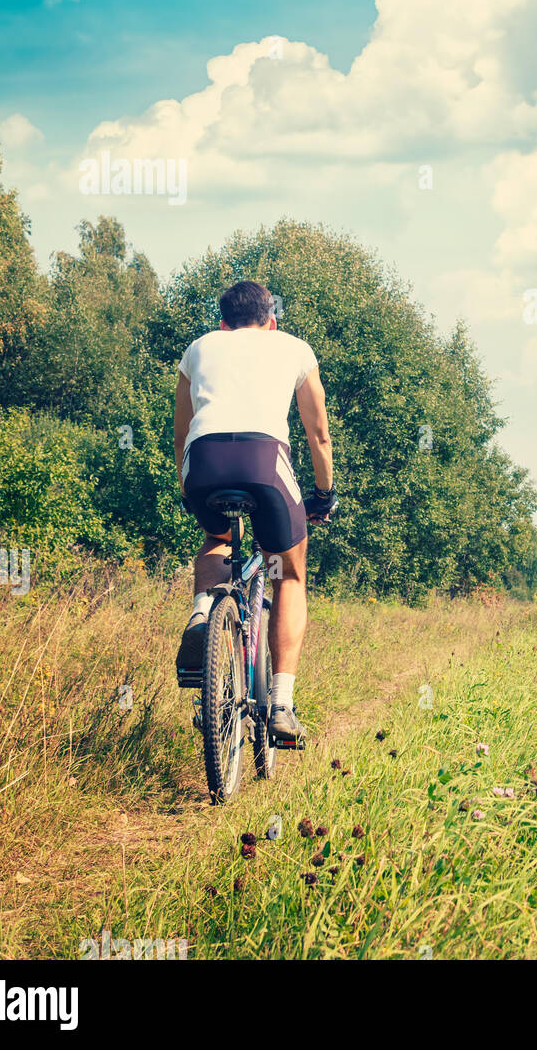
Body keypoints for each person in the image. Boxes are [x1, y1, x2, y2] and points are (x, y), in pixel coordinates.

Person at [172, 279, 336, 746]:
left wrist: (189, 490)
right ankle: (281, 703)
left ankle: (203, 613)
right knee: (288, 572)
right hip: (265, 464)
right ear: (271, 321)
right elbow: (318, 433)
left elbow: (182, 434)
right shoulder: (294, 349)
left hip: (204, 464)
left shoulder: (198, 349)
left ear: (222, 325)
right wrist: (323, 493)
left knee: (219, 540)